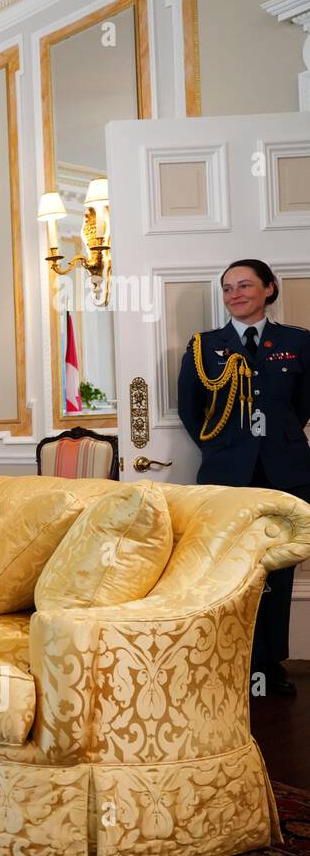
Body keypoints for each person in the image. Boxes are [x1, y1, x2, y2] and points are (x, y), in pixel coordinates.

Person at [177, 259, 309, 697]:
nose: (235, 294)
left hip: (284, 473)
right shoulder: (203, 346)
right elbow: (190, 410)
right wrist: (221, 448)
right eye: (228, 288)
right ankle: (232, 662)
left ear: (269, 289)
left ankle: (270, 664)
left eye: (245, 285)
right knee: (228, 572)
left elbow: (301, 406)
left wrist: (272, 442)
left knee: (278, 573)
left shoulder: (296, 342)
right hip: (226, 475)